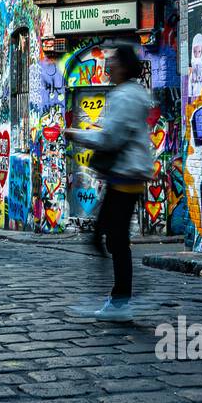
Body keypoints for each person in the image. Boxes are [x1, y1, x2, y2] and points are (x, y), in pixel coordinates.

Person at [63, 41, 153, 322]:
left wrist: (77, 134)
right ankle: (120, 295)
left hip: (124, 176)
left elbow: (110, 138)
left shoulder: (124, 96)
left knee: (109, 239)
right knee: (110, 238)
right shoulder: (136, 93)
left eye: (111, 63)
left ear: (124, 67)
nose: (106, 67)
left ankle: (120, 298)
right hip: (127, 176)